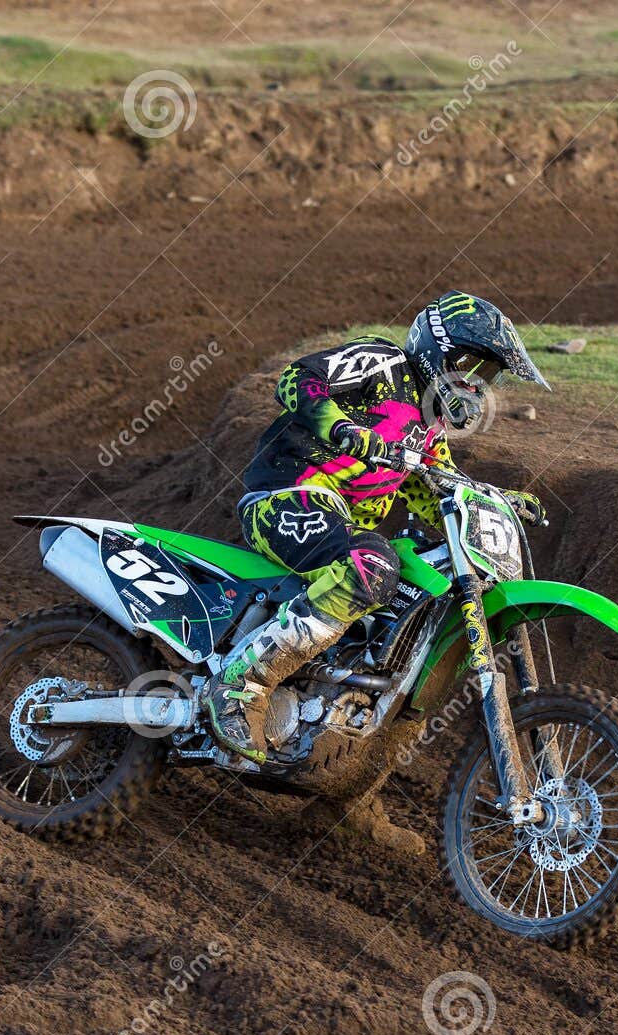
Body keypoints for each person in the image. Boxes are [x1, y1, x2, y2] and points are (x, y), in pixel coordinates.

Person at [203, 291, 550, 763]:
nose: (473, 382)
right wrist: (344, 428)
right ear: (439, 348)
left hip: (338, 527)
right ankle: (240, 683)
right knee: (372, 565)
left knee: (411, 594)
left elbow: (440, 489)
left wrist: (498, 500)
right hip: (285, 499)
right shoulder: (383, 363)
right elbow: (297, 379)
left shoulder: (428, 433)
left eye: (485, 373)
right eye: (469, 365)